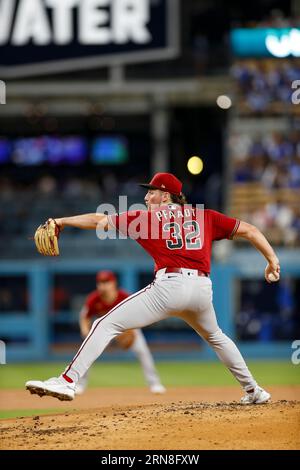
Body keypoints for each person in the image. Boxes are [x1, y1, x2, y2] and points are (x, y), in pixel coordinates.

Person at [26, 172, 280, 404]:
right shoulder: (206, 216)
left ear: (166, 195)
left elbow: (98, 220)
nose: (146, 196)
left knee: (104, 324)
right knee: (216, 337)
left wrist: (61, 221)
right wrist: (272, 260)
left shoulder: (146, 218)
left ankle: (68, 381)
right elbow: (250, 230)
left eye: (152, 192)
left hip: (170, 286)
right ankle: (254, 390)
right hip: (202, 288)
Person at [76, 270, 165, 395]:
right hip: (104, 328)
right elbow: (84, 316)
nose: (103, 285)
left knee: (143, 352)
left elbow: (137, 315)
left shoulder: (124, 296)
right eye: (100, 282)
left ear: (113, 283)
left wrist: (130, 330)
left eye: (106, 282)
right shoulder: (94, 299)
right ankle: (80, 384)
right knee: (88, 353)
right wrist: (85, 331)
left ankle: (155, 383)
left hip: (126, 326)